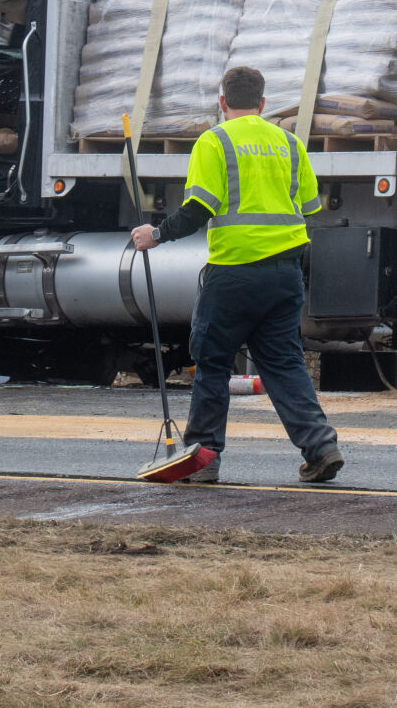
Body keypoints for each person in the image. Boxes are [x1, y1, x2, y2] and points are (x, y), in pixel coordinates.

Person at [129, 66, 343, 484]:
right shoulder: (289, 142)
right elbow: (311, 209)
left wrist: (154, 234)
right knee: (284, 365)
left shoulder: (215, 141)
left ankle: (205, 460)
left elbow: (198, 211)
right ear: (263, 104)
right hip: (284, 275)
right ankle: (320, 448)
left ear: (222, 102)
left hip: (233, 275)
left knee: (212, 362)